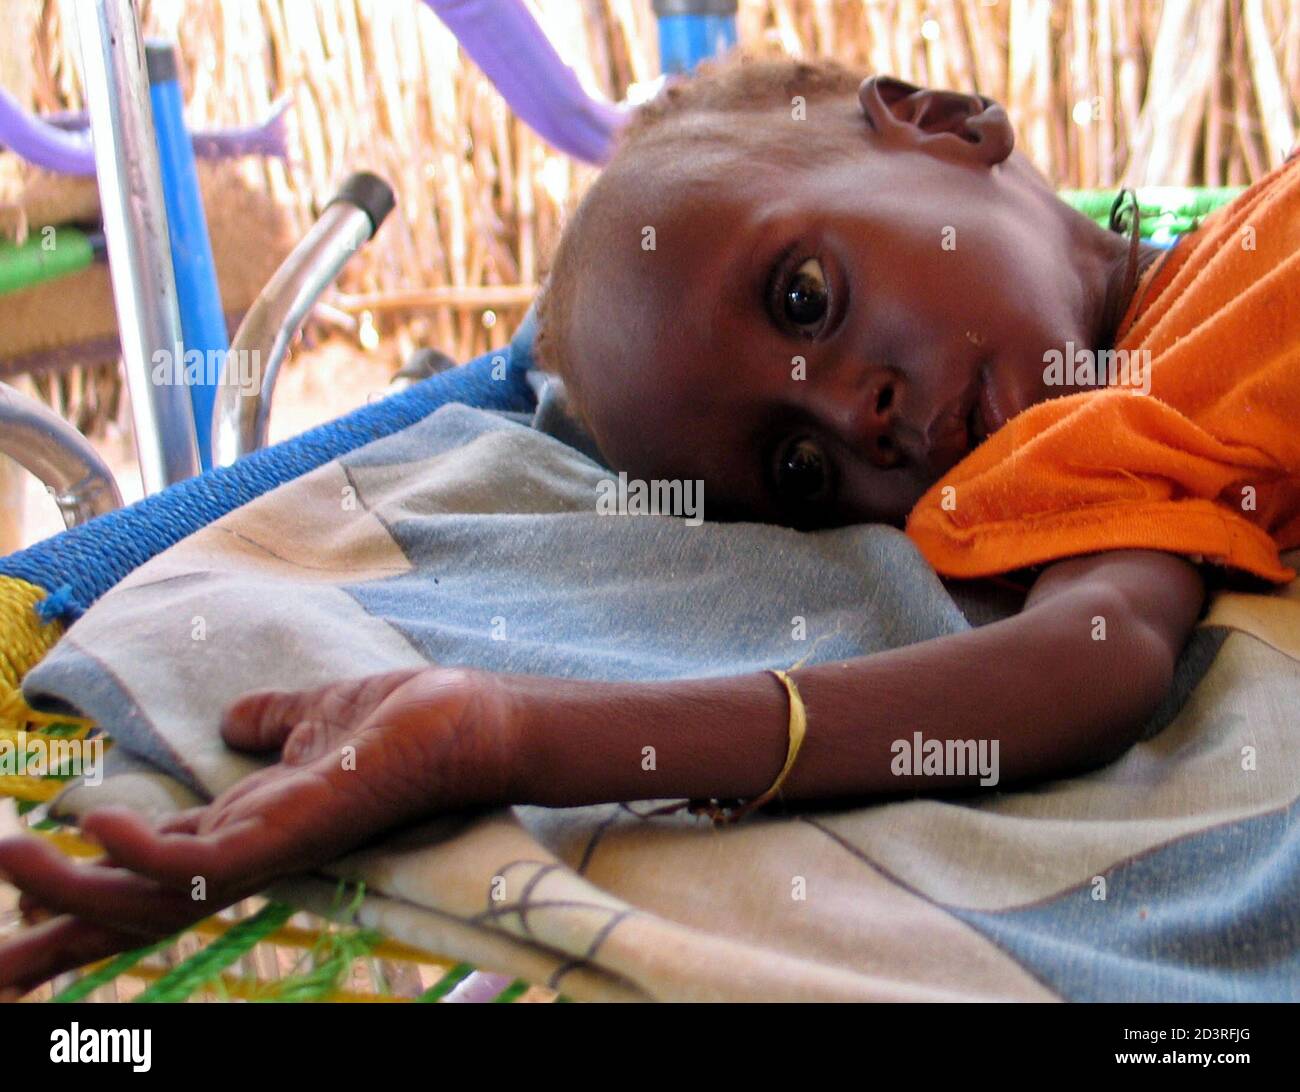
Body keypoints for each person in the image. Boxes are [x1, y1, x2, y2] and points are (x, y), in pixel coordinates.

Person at [3, 57, 1296, 997]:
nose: (858, 416)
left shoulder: (1211, 256)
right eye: (796, 472)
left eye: (805, 296)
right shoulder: (1082, 454)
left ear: (944, 123)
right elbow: (1089, 660)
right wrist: (509, 733)